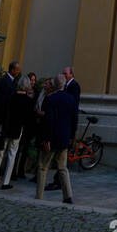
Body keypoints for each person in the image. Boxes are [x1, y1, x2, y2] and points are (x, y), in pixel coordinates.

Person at [36, 73, 77, 205]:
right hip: (64, 138)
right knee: (62, 168)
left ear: (54, 84)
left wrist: (46, 138)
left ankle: (39, 195)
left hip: (51, 138)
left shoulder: (50, 99)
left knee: (43, 167)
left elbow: (49, 120)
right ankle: (68, 195)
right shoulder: (71, 99)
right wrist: (72, 136)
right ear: (64, 84)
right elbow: (74, 120)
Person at [0, 60, 21, 184]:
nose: (18, 72)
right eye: (17, 69)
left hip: (6, 122)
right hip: (4, 121)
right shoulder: (6, 82)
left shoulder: (10, 82)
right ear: (12, 70)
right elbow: (4, 103)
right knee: (1, 151)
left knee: (1, 151)